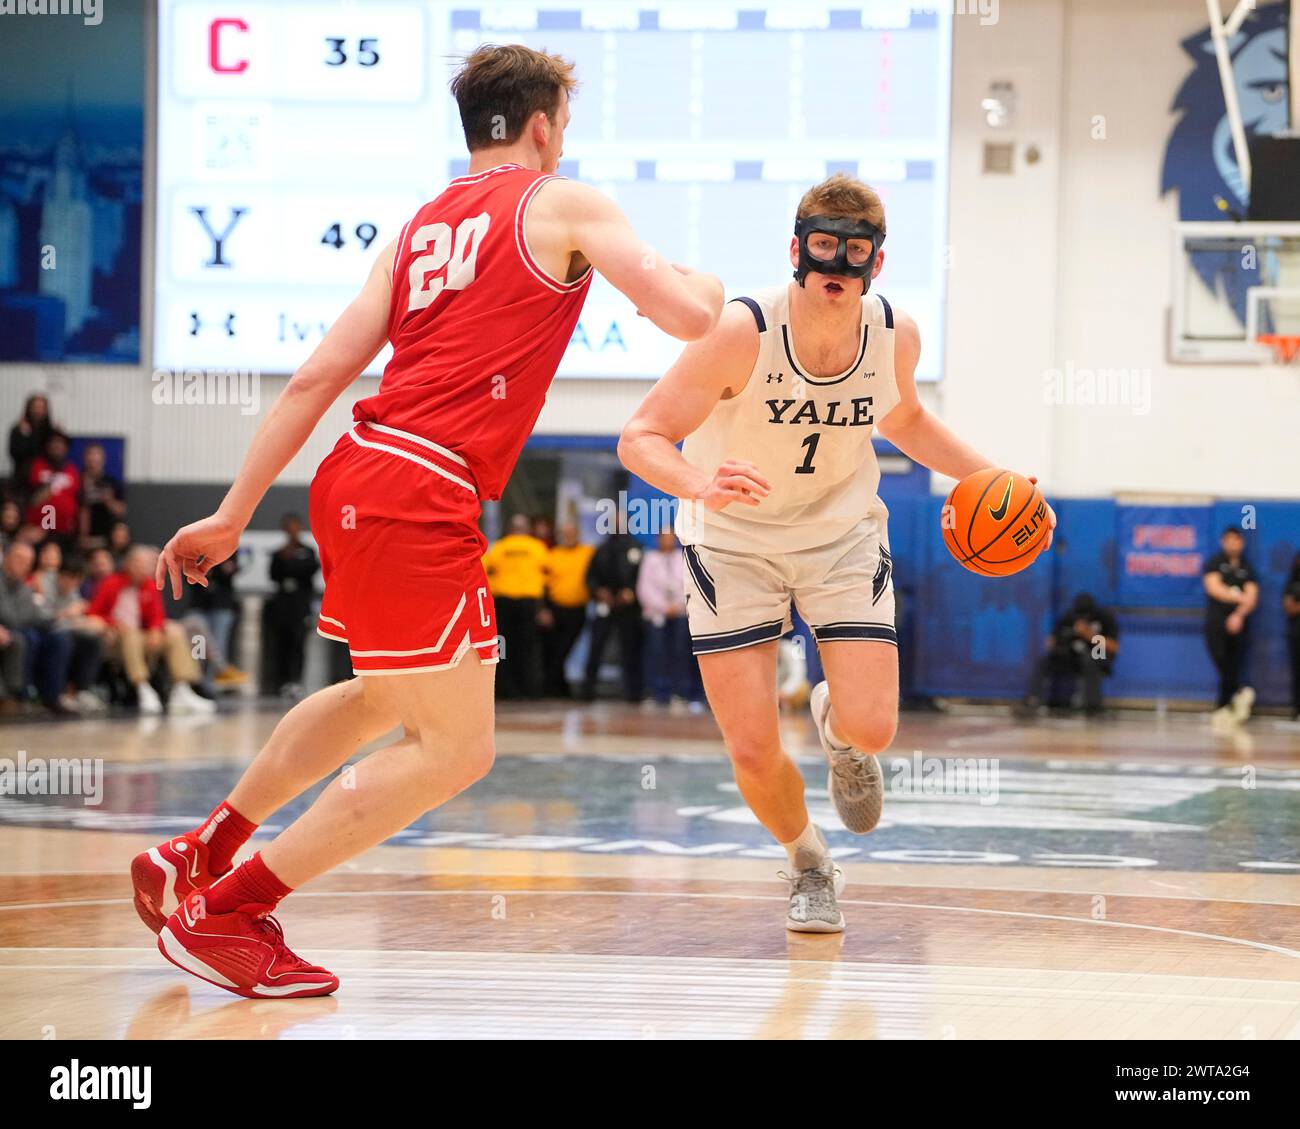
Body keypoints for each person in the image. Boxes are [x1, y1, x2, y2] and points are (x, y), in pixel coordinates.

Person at [136, 42, 723, 999]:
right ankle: (234, 911)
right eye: (563, 128)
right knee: (459, 748)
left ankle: (198, 856)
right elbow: (685, 319)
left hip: (356, 473)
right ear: (542, 126)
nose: (564, 144)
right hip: (420, 486)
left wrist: (235, 510)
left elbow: (316, 378)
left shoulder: (414, 229)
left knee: (381, 699)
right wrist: (711, 287)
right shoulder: (565, 204)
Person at [619, 172, 1054, 933]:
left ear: (876, 262)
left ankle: (841, 731)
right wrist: (697, 480)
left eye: (855, 252)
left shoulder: (895, 333)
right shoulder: (740, 331)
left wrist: (995, 476)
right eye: (824, 248)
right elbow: (640, 436)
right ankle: (809, 861)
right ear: (796, 249)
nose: (837, 268)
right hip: (733, 540)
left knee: (877, 726)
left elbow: (908, 421)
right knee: (752, 748)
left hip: (841, 534)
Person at [86, 545, 216, 716]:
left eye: (147, 564)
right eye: (141, 564)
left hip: (143, 636)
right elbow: (94, 613)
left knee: (174, 631)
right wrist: (114, 623)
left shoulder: (149, 585)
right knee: (131, 634)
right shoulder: (111, 583)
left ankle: (182, 689)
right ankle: (143, 688)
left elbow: (157, 614)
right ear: (129, 564)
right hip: (117, 638)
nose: (145, 568)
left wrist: (155, 630)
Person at [1015, 593, 1119, 718]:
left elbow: (1114, 646)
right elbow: (1052, 639)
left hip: (1097, 656)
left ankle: (1094, 707)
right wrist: (1057, 642)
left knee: (1089, 661)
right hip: (1071, 657)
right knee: (1043, 662)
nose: (1083, 618)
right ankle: (1031, 701)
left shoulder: (1103, 617)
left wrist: (1088, 634)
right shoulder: (1070, 616)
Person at [0, 542, 75, 714]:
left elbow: (36, 616)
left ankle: (52, 697)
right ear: (7, 557)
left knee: (60, 638)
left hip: (20, 628)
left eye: (28, 561)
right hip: (8, 630)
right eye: (19, 558)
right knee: (27, 638)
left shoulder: (25, 588)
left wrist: (60, 616)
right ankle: (20, 696)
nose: (23, 564)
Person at [483, 514, 548, 699]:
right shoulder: (537, 547)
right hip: (529, 602)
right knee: (528, 647)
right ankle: (531, 690)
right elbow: (548, 573)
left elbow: (484, 569)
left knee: (502, 646)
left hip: (503, 602)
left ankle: (504, 689)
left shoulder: (499, 547)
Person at [1202, 526, 1258, 729]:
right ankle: (1239, 693)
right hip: (1217, 623)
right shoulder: (1215, 563)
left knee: (1234, 664)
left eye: (1237, 540)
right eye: (1229, 540)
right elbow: (1214, 587)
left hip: (1239, 623)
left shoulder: (1247, 567)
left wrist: (1238, 614)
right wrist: (1236, 596)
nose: (1233, 544)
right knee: (1221, 660)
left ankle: (1225, 707)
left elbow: (1252, 595)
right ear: (1223, 541)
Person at [582, 530, 645, 702]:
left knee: (630, 650)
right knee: (596, 647)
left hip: (629, 608)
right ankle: (587, 691)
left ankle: (634, 693)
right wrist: (598, 591)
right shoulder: (601, 549)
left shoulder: (637, 548)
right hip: (605, 605)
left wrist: (631, 591)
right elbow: (590, 577)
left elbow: (644, 576)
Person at [637, 529, 695, 707]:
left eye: (671, 537)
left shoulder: (683, 558)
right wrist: (663, 607)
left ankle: (680, 693)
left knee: (680, 652)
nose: (668, 541)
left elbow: (690, 585)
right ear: (658, 539)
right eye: (664, 537)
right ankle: (656, 692)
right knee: (656, 652)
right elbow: (644, 587)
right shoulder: (650, 558)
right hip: (656, 614)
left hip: (680, 613)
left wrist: (678, 606)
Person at [263, 514, 318, 699]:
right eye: (289, 526)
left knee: (299, 644)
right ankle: (281, 682)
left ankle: (296, 681)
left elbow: (310, 570)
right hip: (282, 606)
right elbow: (273, 575)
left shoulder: (308, 551)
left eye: (295, 526)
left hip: (300, 606)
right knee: (281, 645)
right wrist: (287, 561)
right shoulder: (279, 553)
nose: (292, 530)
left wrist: (292, 564)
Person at [539, 522, 593, 698]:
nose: (568, 537)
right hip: (556, 609)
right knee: (554, 650)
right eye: (565, 534)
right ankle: (557, 689)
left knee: (565, 649)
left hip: (577, 609)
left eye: (571, 533)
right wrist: (544, 609)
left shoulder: (588, 553)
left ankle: (557, 688)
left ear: (578, 534)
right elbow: (544, 584)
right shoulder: (552, 555)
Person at [25, 430, 80, 544]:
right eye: (53, 442)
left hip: (65, 531)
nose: (57, 446)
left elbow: (80, 501)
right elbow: (29, 498)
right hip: (38, 530)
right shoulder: (35, 465)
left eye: (60, 443)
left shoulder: (73, 470)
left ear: (66, 448)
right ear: (47, 446)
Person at [79, 442, 127, 550]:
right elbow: (82, 509)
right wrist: (82, 536)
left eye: (96, 458)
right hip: (80, 538)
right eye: (90, 458)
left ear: (103, 460)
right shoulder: (77, 481)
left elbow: (121, 511)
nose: (93, 462)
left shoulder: (111, 483)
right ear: (85, 459)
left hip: (106, 537)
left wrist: (109, 501)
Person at [9, 393, 52, 487]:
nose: (37, 411)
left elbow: (53, 456)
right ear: (29, 409)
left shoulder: (50, 431)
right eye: (35, 407)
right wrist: (25, 436)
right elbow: (15, 454)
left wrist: (58, 435)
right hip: (23, 477)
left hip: (44, 478)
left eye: (41, 407)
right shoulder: (18, 429)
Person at [1285, 552, 1300, 723]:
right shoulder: (1292, 583)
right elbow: (1289, 607)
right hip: (1296, 634)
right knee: (1297, 672)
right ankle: (1297, 708)